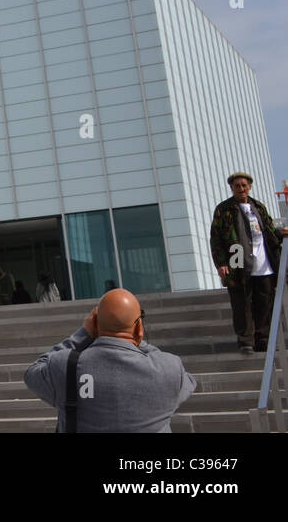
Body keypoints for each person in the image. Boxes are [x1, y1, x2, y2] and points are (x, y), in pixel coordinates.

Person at [24, 288, 196, 432]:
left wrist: (83, 334)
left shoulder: (66, 365)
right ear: (138, 327)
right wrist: (135, 338)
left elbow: (33, 373)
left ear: (95, 324)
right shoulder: (170, 368)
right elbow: (189, 383)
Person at [209, 171, 288, 354]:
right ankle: (246, 342)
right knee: (241, 303)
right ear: (231, 188)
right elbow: (216, 239)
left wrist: (281, 232)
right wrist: (221, 263)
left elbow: (268, 230)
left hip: (263, 263)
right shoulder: (224, 209)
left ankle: (264, 341)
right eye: (237, 186)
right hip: (237, 259)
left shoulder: (258, 207)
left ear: (250, 187)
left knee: (264, 304)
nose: (241, 189)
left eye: (244, 185)